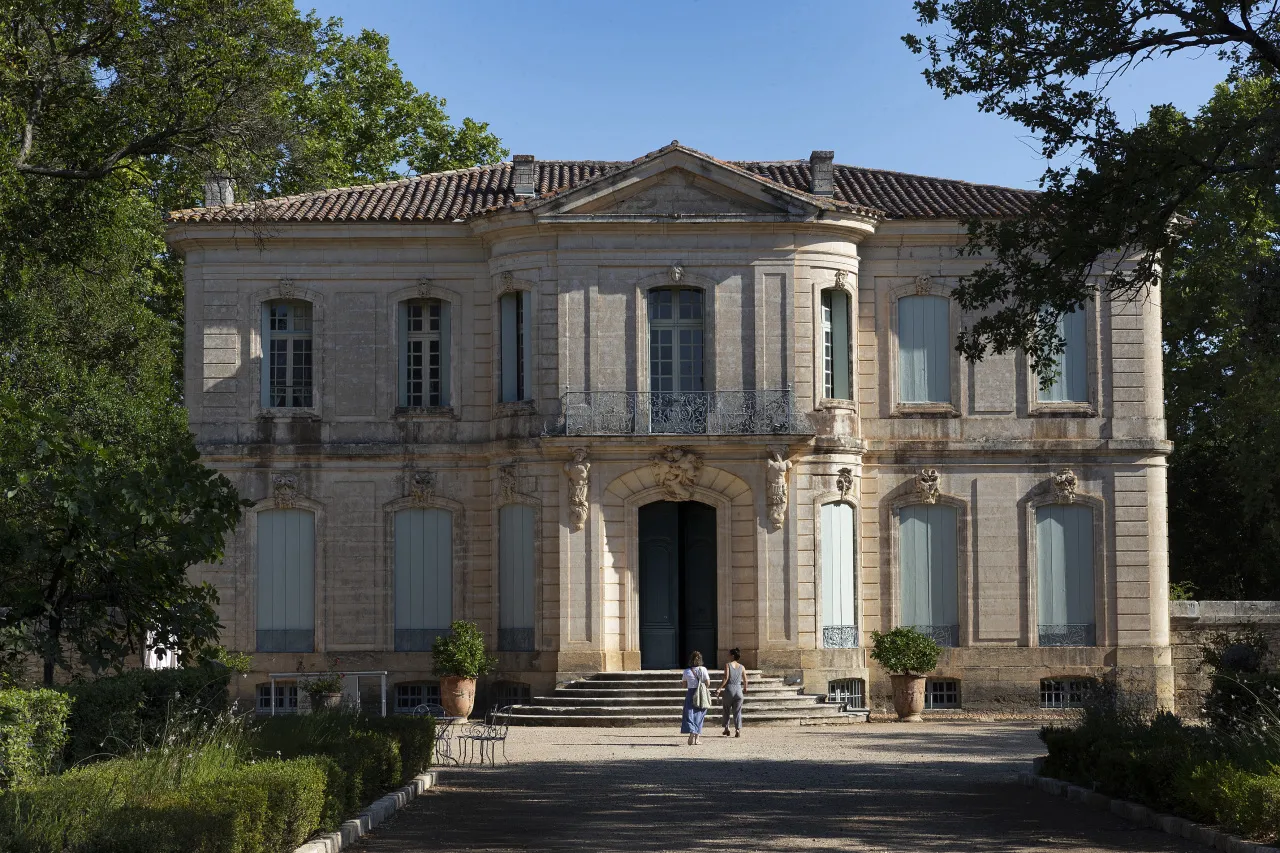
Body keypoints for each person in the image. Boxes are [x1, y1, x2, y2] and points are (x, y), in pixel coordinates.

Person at [715, 648, 748, 737]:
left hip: (729, 689)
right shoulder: (742, 667)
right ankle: (737, 729)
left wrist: (719, 688)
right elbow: (745, 679)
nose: (728, 655)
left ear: (732, 655)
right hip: (738, 690)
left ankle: (727, 728)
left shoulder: (728, 665)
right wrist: (745, 688)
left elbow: (726, 678)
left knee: (726, 710)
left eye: (729, 654)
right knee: (737, 712)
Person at [680, 651, 710, 745]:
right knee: (700, 715)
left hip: (690, 693)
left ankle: (691, 730)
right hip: (701, 694)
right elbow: (708, 683)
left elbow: (684, 686)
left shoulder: (687, 671)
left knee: (689, 714)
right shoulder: (703, 670)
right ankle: (697, 739)